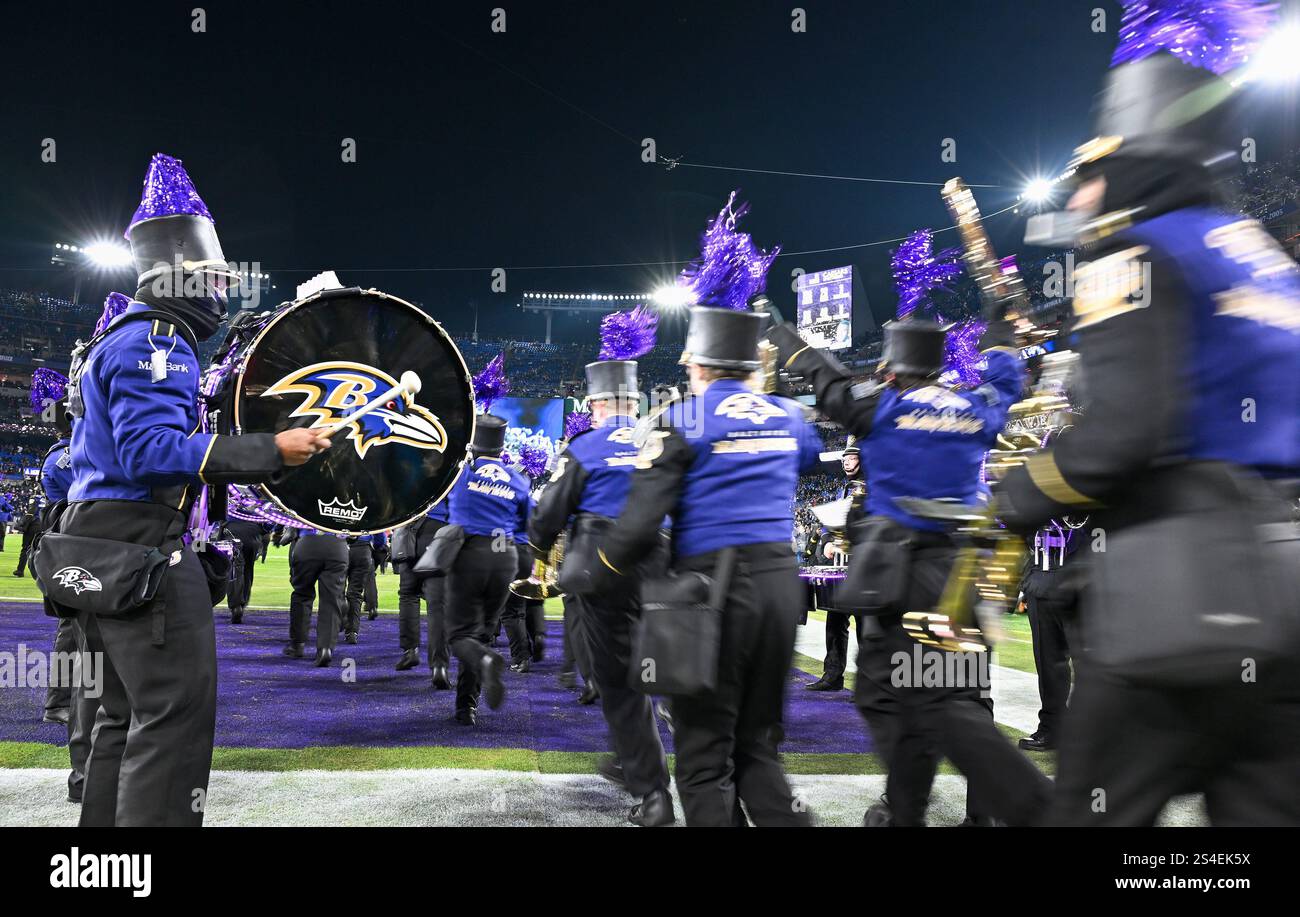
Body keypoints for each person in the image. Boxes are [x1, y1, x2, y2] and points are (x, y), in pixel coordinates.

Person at [996, 48, 1300, 826]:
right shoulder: (1265, 257)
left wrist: (1024, 489)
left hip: (1180, 585)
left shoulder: (1137, 251)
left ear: (1131, 161)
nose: (1084, 193)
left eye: (1094, 170)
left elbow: (1126, 432)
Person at [51, 153, 327, 826]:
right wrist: (274, 448)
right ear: (178, 272)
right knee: (172, 722)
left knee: (117, 721)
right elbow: (151, 453)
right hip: (143, 547)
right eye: (211, 274)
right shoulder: (159, 338)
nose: (220, 285)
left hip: (95, 545)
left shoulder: (120, 338)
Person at [767, 315, 1052, 827]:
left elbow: (824, 376)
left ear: (894, 369)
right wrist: (1004, 338)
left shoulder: (883, 407)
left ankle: (1041, 810)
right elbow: (1008, 379)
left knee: (898, 699)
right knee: (952, 694)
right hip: (963, 580)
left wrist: (777, 328)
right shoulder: (975, 406)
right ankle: (910, 811)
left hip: (902, 581)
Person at [586, 303, 821, 827]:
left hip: (712, 595)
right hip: (781, 588)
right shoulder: (790, 415)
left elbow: (638, 525)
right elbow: (806, 455)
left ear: (697, 366)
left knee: (703, 755)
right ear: (751, 366)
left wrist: (596, 568)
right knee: (757, 746)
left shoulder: (680, 420)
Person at [529, 354, 674, 826]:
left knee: (616, 680)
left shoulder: (585, 447)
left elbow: (550, 511)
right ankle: (658, 755)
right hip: (663, 563)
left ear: (594, 405)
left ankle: (654, 793)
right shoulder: (663, 441)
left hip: (603, 562)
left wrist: (538, 552)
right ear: (633, 402)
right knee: (662, 669)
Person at [444, 415, 530, 726]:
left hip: (471, 552)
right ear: (502, 448)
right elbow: (524, 531)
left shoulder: (460, 474)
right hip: (504, 556)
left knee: (458, 635)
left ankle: (481, 672)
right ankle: (467, 706)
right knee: (480, 634)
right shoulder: (519, 480)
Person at [806, 438, 866, 692]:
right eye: (844, 459)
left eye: (850, 458)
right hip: (843, 567)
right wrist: (830, 539)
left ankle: (868, 682)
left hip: (863, 566)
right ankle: (833, 675)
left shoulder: (871, 486)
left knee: (866, 626)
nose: (845, 462)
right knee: (835, 620)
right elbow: (836, 521)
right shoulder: (846, 488)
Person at [393, 503, 451, 687]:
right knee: (437, 604)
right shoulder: (454, 473)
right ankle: (439, 666)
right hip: (439, 531)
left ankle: (410, 652)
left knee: (408, 595)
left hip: (409, 532)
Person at [285, 527, 348, 665]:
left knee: (302, 594)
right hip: (337, 544)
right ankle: (325, 649)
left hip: (307, 542)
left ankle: (298, 644)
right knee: (332, 599)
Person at [224, 518, 265, 624]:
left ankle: (236, 605)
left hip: (232, 530)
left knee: (235, 569)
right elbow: (267, 525)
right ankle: (243, 603)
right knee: (248, 570)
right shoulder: (257, 501)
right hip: (252, 532)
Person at [343, 533, 378, 644]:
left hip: (340, 547)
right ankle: (352, 632)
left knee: (336, 590)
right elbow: (379, 535)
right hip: (363, 549)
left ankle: (337, 623)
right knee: (356, 593)